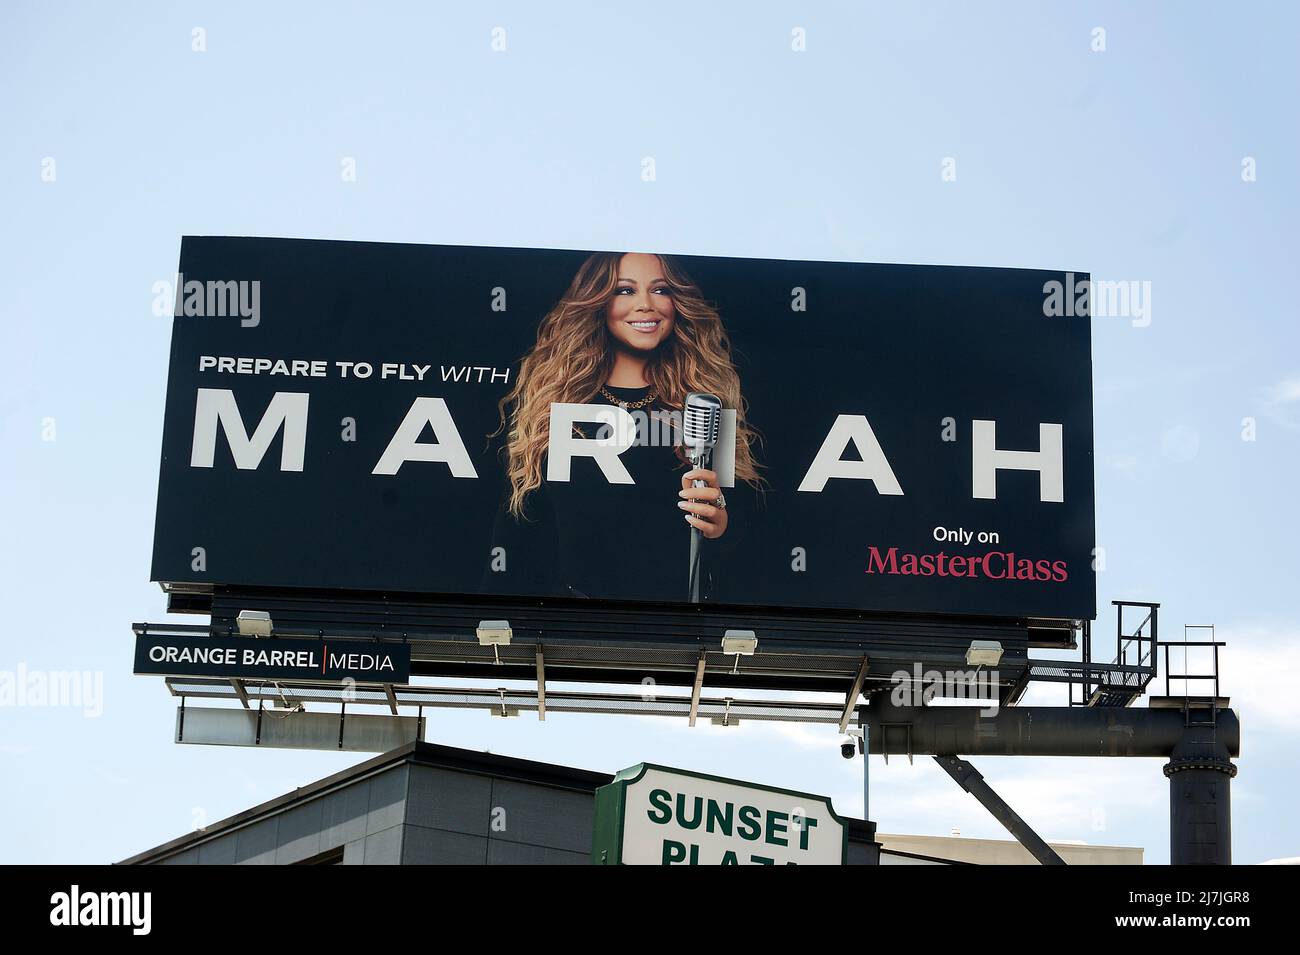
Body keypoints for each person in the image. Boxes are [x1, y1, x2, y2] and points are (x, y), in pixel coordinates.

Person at [482, 251, 761, 603]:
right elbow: (518, 529)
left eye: (660, 289)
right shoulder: (558, 405)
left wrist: (719, 524)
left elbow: (739, 534)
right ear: (597, 301)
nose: (645, 304)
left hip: (679, 630)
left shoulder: (702, 404)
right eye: (625, 290)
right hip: (574, 629)